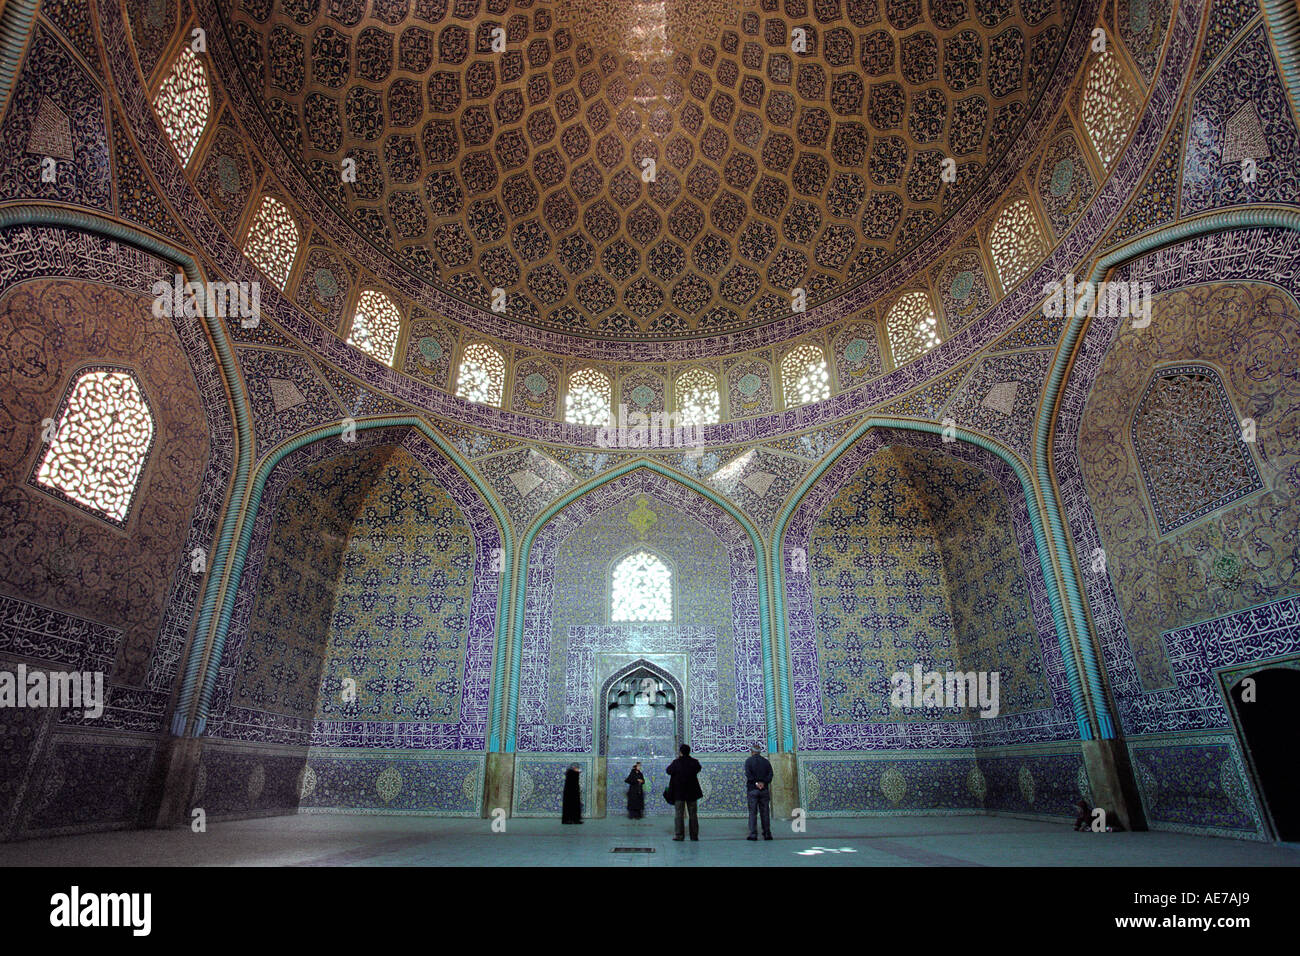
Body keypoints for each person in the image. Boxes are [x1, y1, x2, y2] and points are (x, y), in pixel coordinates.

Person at [665, 744, 704, 841]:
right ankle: (694, 836)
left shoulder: (676, 763)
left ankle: (679, 835)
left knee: (679, 814)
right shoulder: (694, 762)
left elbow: (668, 771)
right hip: (692, 792)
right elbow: (698, 768)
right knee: (693, 815)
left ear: (681, 752)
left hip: (679, 793)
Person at [744, 743, 774, 841]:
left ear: (752, 752)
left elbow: (748, 774)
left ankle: (753, 834)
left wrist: (756, 783)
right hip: (764, 790)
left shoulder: (749, 761)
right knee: (765, 812)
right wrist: (763, 783)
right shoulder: (766, 762)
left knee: (753, 813)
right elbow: (770, 774)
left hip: (753, 789)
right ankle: (767, 834)